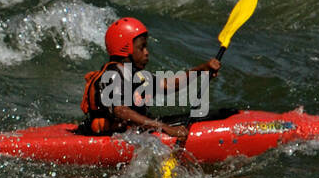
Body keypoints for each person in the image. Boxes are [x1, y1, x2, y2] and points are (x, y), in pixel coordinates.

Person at [80, 17, 219, 139]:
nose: (147, 53)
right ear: (126, 49)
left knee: (207, 116)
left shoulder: (136, 75)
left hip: (132, 130)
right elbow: (120, 110)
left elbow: (170, 85)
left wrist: (201, 69)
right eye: (142, 47)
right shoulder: (115, 73)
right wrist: (164, 128)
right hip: (108, 135)